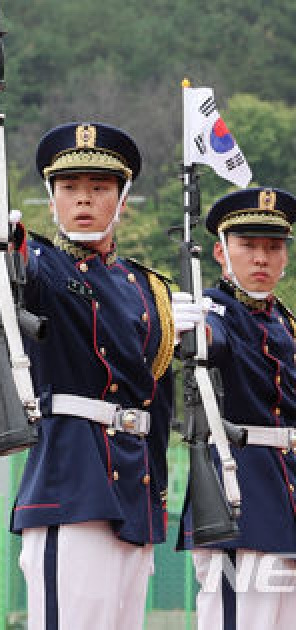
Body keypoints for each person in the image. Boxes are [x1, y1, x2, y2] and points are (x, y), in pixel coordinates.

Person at [0, 122, 174, 629]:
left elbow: (159, 405)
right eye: (69, 188)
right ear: (50, 198)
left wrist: (158, 494)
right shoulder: (41, 261)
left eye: (100, 188)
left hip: (134, 489)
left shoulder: (148, 289)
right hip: (72, 480)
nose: (84, 199)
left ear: (122, 199)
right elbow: (19, 269)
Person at [176, 187, 296, 629]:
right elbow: (208, 342)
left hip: (286, 501)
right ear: (221, 252)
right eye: (248, 246)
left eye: (273, 247)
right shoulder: (214, 311)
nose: (261, 259)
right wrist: (184, 331)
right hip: (239, 496)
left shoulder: (284, 323)